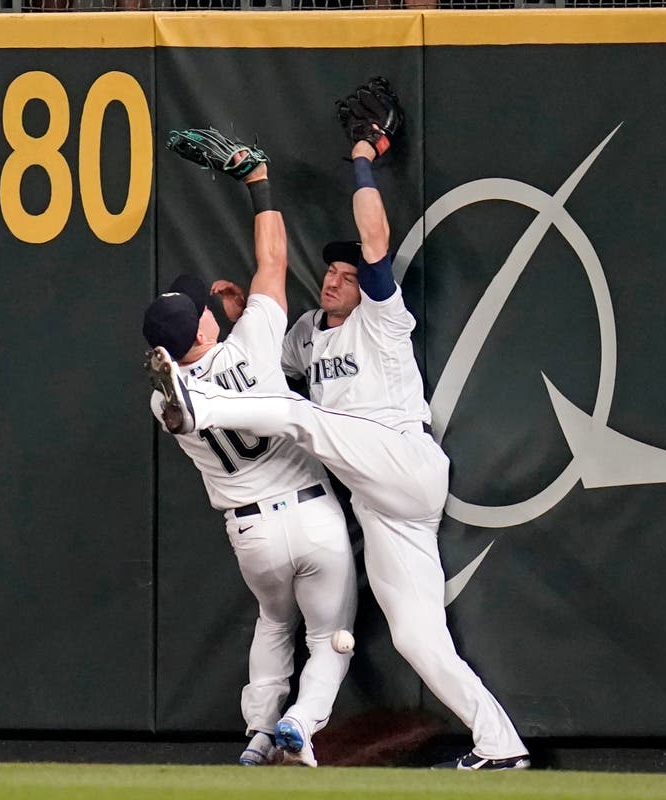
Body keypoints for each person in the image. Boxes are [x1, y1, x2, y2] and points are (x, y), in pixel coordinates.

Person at [147, 79, 530, 771]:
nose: (334, 278)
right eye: (331, 271)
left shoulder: (383, 320)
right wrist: (232, 319)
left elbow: (376, 239)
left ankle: (193, 409)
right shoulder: (304, 335)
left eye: (348, 274)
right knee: (418, 637)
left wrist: (363, 157)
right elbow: (259, 368)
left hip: (403, 459)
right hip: (384, 509)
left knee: (300, 418)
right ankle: (501, 745)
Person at [142, 129, 357, 768]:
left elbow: (199, 349)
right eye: (200, 307)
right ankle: (300, 726)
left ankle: (259, 737)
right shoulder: (256, 337)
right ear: (203, 325)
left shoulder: (163, 396)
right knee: (330, 638)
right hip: (313, 512)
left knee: (273, 623)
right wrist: (258, 181)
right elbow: (271, 260)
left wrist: (190, 365)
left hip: (250, 532)